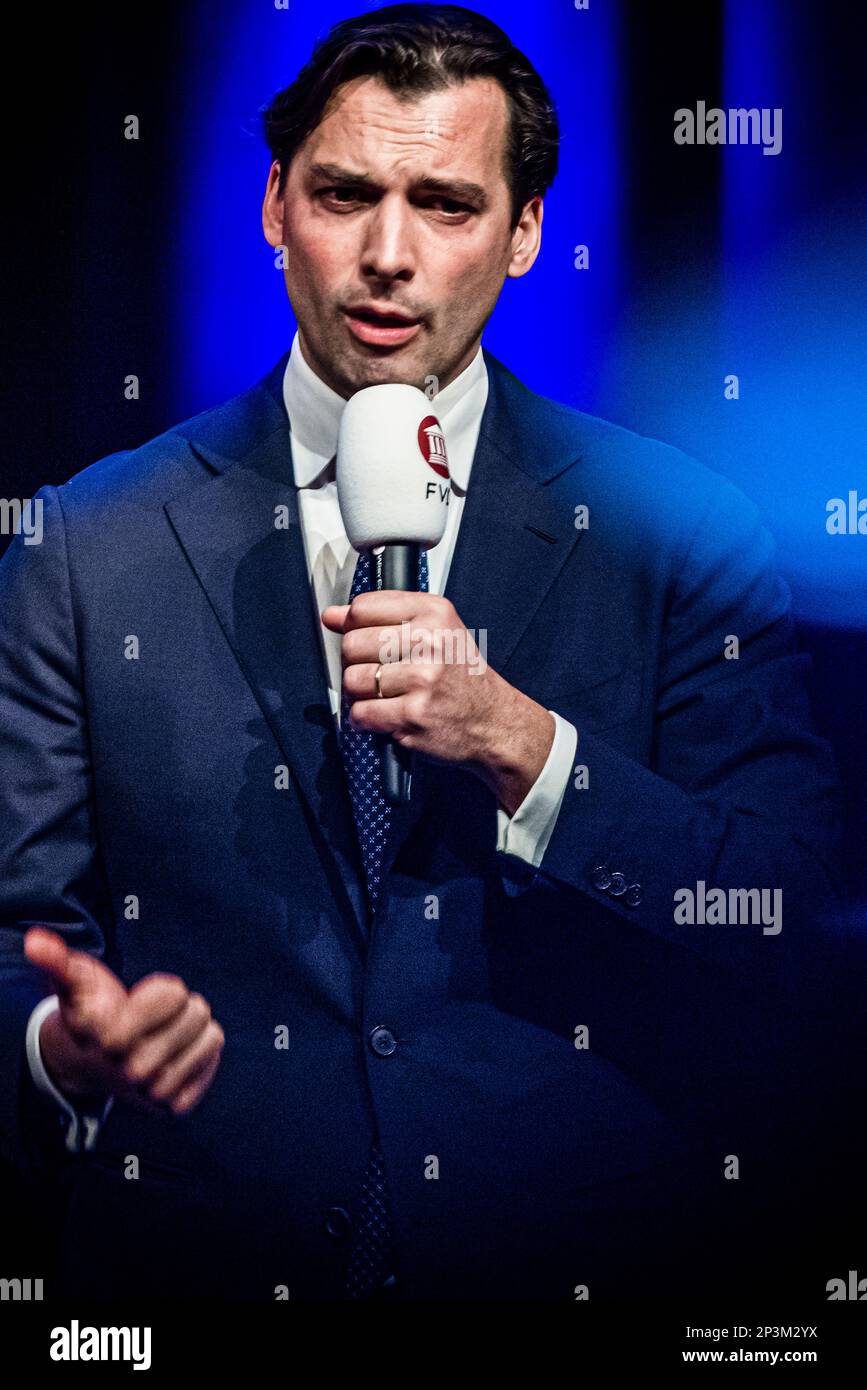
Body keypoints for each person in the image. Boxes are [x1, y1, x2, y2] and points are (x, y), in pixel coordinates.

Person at [0, 4, 842, 1301]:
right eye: (345, 193)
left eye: (446, 205)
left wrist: (527, 746)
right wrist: (63, 1042)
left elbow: (780, 913)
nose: (388, 255)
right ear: (276, 206)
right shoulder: (86, 544)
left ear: (523, 235)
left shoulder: (676, 535)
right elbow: (15, 941)